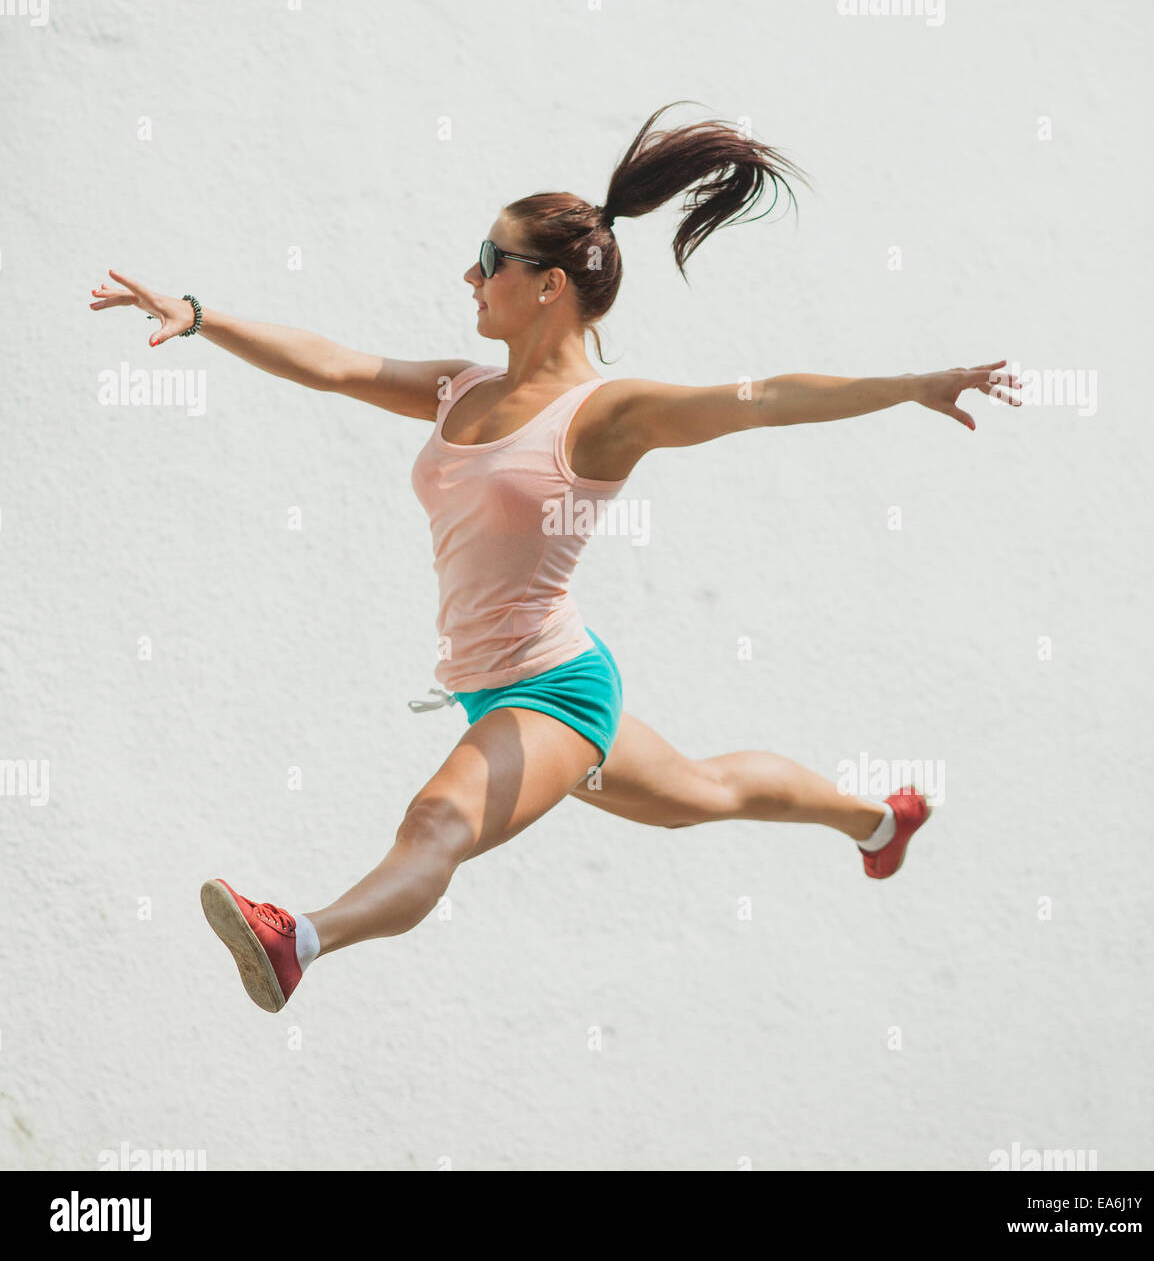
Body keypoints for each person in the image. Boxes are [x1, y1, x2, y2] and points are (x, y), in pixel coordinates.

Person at [88, 102, 1020, 1014]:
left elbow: (761, 397)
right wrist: (199, 315)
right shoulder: (460, 388)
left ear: (548, 286)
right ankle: (879, 821)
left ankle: (299, 939)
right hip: (497, 686)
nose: (470, 273)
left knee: (436, 823)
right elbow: (333, 363)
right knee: (705, 789)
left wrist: (910, 386)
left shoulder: (606, 416)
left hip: (555, 692)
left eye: (491, 259)